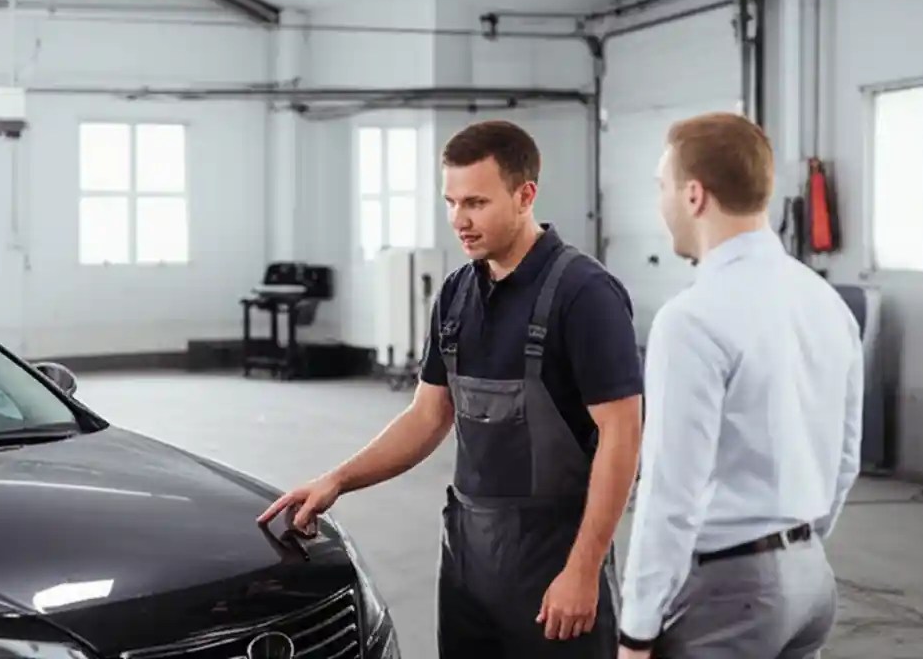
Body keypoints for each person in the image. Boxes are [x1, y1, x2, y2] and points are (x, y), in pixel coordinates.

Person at [258, 119, 644, 658]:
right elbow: (427, 416)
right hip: (468, 561)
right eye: (451, 201)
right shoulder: (457, 294)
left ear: (525, 194)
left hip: (555, 559)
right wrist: (338, 480)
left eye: (477, 203)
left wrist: (582, 570)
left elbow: (622, 436)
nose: (459, 221)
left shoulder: (585, 295)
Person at [616, 112, 864, 659]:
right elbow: (847, 457)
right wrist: (796, 548)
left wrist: (636, 631)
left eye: (663, 187)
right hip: (811, 581)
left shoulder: (692, 319)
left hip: (729, 593)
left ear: (694, 196)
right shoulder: (827, 303)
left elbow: (669, 492)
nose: (660, 204)